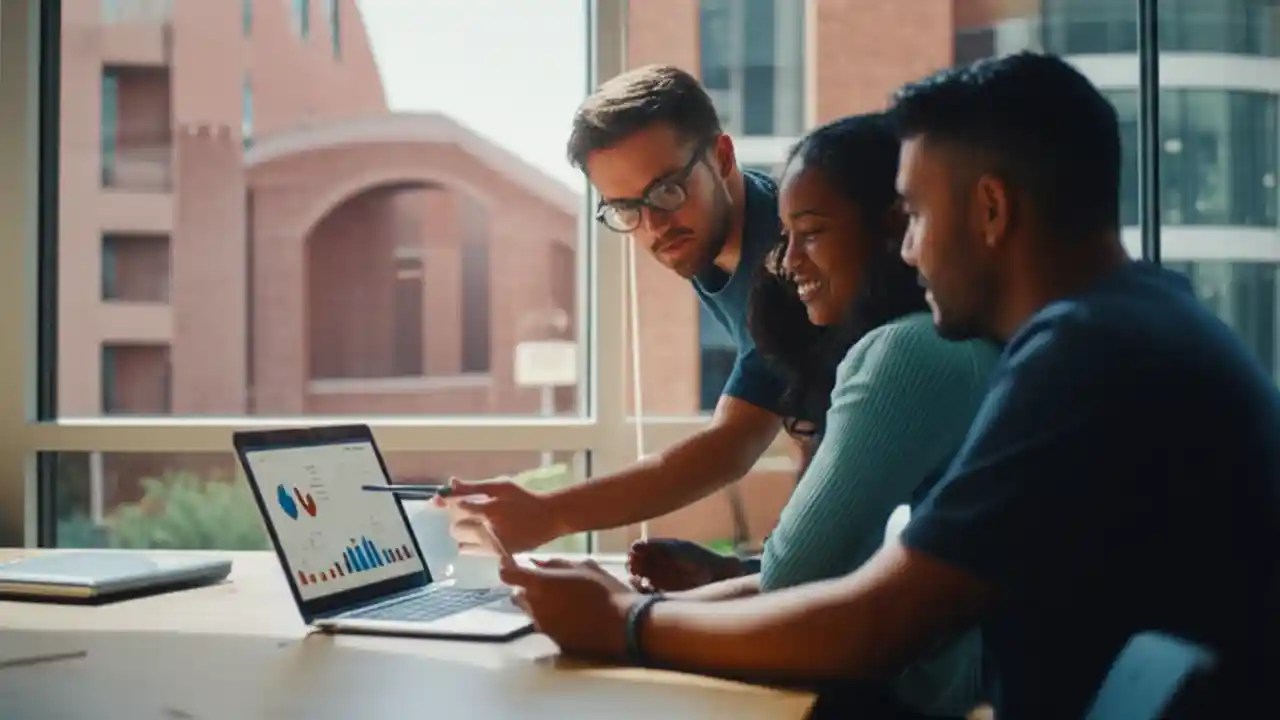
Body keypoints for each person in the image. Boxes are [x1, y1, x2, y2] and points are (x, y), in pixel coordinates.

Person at [498, 52, 1280, 720]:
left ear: (990, 210)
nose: (904, 249)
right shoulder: (1130, 324)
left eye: (912, 215)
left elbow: (875, 624)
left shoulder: (1077, 356)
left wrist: (629, 623)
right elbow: (909, 580)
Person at [628, 112, 1000, 717]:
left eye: (812, 232)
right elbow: (837, 570)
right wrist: (727, 576)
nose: (788, 261)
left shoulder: (909, 353)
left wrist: (625, 618)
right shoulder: (947, 343)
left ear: (891, 230)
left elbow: (793, 580)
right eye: (784, 237)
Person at [439, 65, 805, 557]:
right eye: (626, 208)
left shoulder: (785, 257)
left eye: (668, 191)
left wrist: (549, 514)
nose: (654, 226)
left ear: (721, 157)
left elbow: (732, 446)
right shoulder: (707, 241)